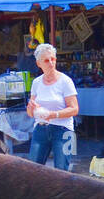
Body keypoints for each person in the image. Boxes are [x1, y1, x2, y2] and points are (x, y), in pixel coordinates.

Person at [25, 42, 79, 171]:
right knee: (31, 170)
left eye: (53, 59)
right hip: (41, 129)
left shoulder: (65, 81)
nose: (51, 63)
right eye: (46, 60)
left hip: (64, 130)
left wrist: (53, 115)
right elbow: (30, 113)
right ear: (39, 64)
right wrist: (31, 108)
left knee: (61, 171)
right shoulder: (37, 82)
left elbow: (75, 109)